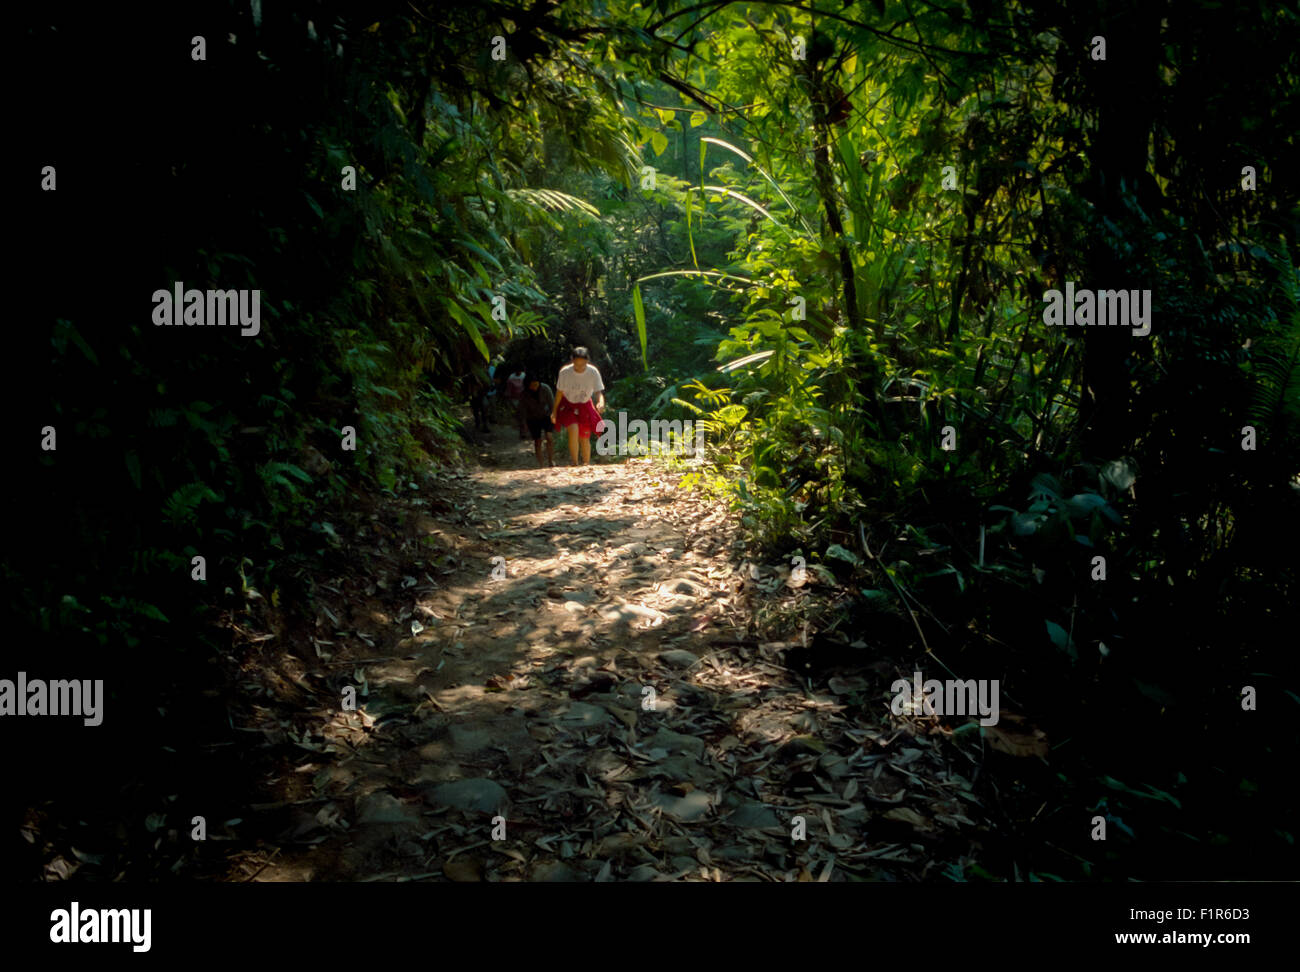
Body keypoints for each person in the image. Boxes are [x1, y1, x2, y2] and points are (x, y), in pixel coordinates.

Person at [551, 346, 606, 466]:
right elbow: (559, 393)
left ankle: (586, 463)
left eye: (583, 365)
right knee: (573, 430)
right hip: (568, 405)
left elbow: (598, 392)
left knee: (584, 437)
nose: (580, 368)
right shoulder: (565, 372)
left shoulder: (593, 372)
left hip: (585, 405)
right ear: (572, 361)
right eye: (577, 365)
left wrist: (600, 402)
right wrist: (554, 411)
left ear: (587, 361)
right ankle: (575, 463)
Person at [519, 373, 555, 467]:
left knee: (549, 437)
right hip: (532, 418)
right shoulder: (524, 394)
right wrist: (524, 424)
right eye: (532, 385)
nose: (534, 387)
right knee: (537, 441)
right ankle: (541, 464)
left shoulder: (545, 389)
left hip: (546, 415)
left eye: (536, 384)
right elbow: (522, 410)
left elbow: (552, 404)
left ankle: (551, 460)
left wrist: (554, 416)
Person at [505, 368, 528, 439]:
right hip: (515, 399)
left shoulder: (524, 376)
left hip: (523, 398)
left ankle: (524, 432)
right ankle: (522, 431)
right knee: (520, 416)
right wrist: (510, 400)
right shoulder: (511, 378)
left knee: (523, 415)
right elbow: (509, 390)